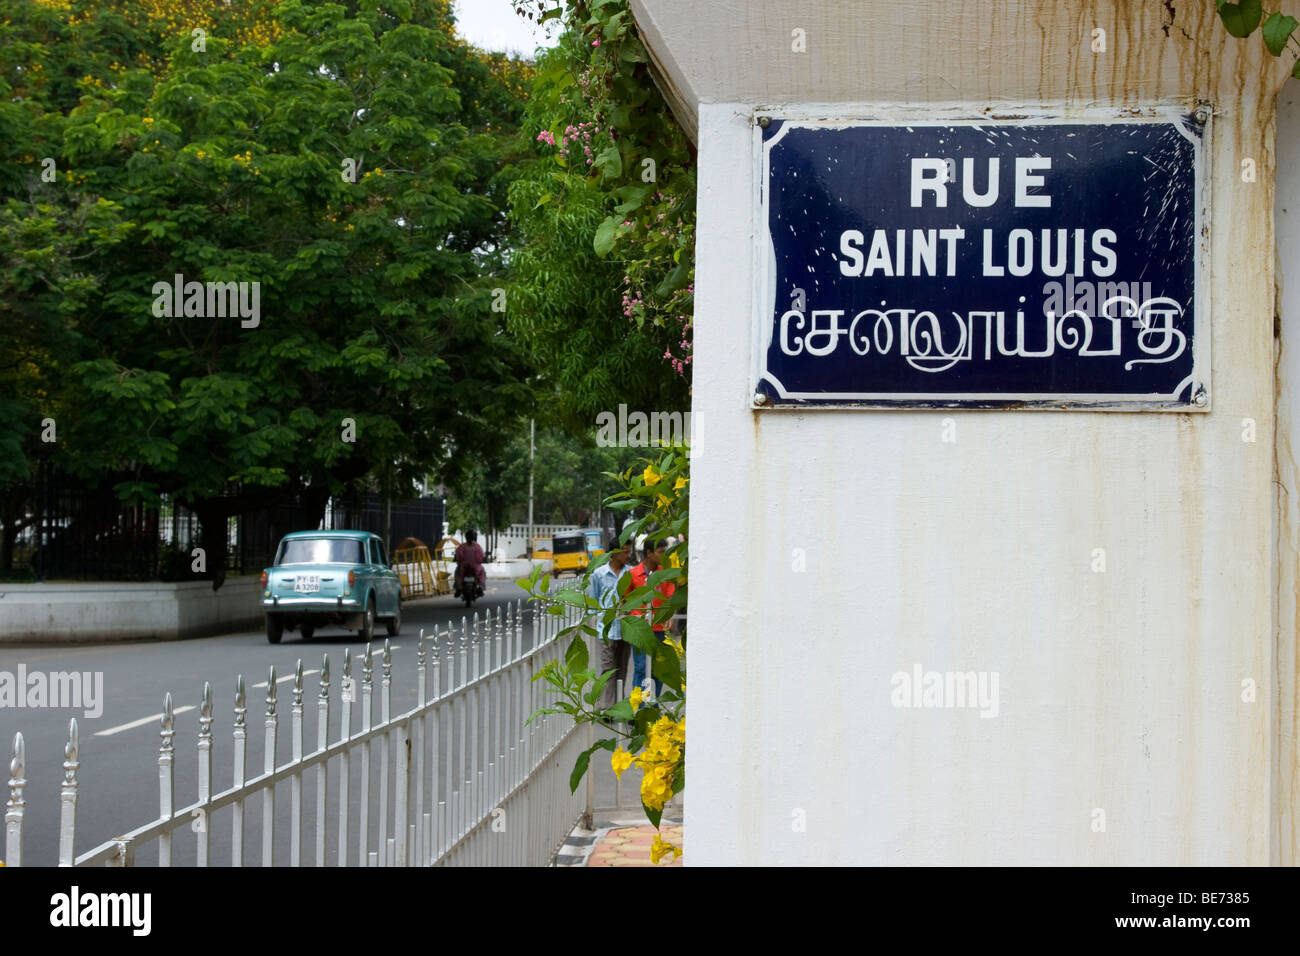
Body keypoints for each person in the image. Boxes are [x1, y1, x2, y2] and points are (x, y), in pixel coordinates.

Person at [585, 536, 635, 709]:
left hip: (625, 628)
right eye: (625, 552)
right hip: (606, 629)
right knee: (608, 669)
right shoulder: (599, 574)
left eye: (630, 552)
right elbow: (594, 600)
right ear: (615, 553)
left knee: (622, 669)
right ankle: (607, 707)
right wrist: (595, 623)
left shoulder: (631, 573)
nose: (628, 555)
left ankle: (619, 705)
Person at [628, 537, 676, 698]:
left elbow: (670, 598)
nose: (663, 556)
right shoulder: (633, 575)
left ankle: (653, 705)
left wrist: (670, 615)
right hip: (640, 630)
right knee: (641, 668)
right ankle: (639, 708)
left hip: (658, 628)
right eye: (660, 552)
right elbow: (625, 601)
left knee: (658, 669)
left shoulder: (665, 575)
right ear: (649, 553)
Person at [453, 530, 485, 596]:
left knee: (457, 572)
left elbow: (458, 557)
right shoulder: (477, 547)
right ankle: (481, 587)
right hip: (476, 568)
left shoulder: (461, 547)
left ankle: (458, 588)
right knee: (482, 572)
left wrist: (457, 560)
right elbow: (481, 557)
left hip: (463, 568)